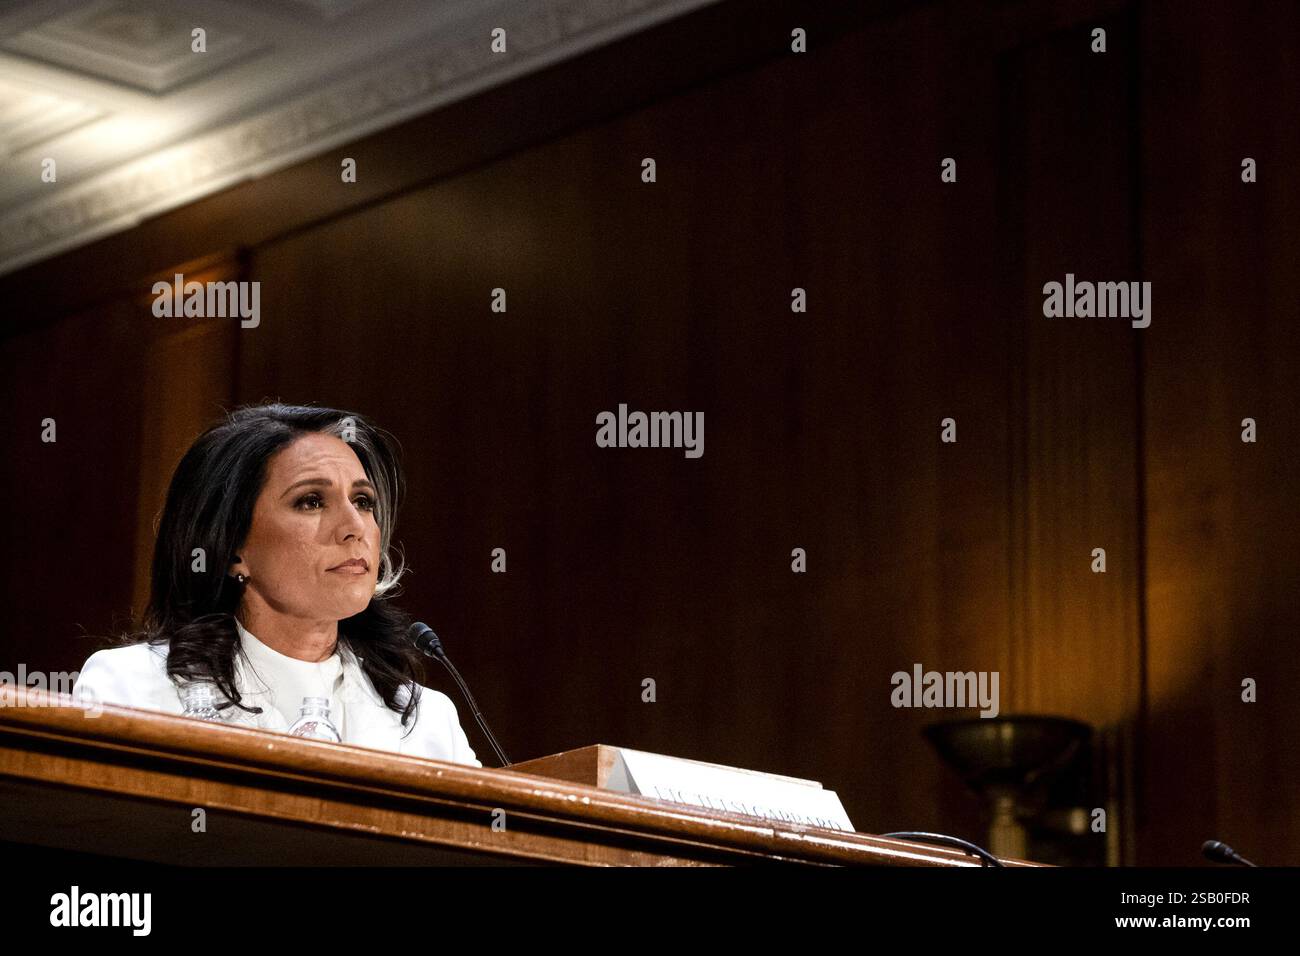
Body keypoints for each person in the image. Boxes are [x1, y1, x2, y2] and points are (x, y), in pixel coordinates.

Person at [71, 402, 481, 767]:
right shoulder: (132, 688)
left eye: (363, 501)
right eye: (311, 501)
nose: (355, 527)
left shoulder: (428, 720)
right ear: (232, 547)